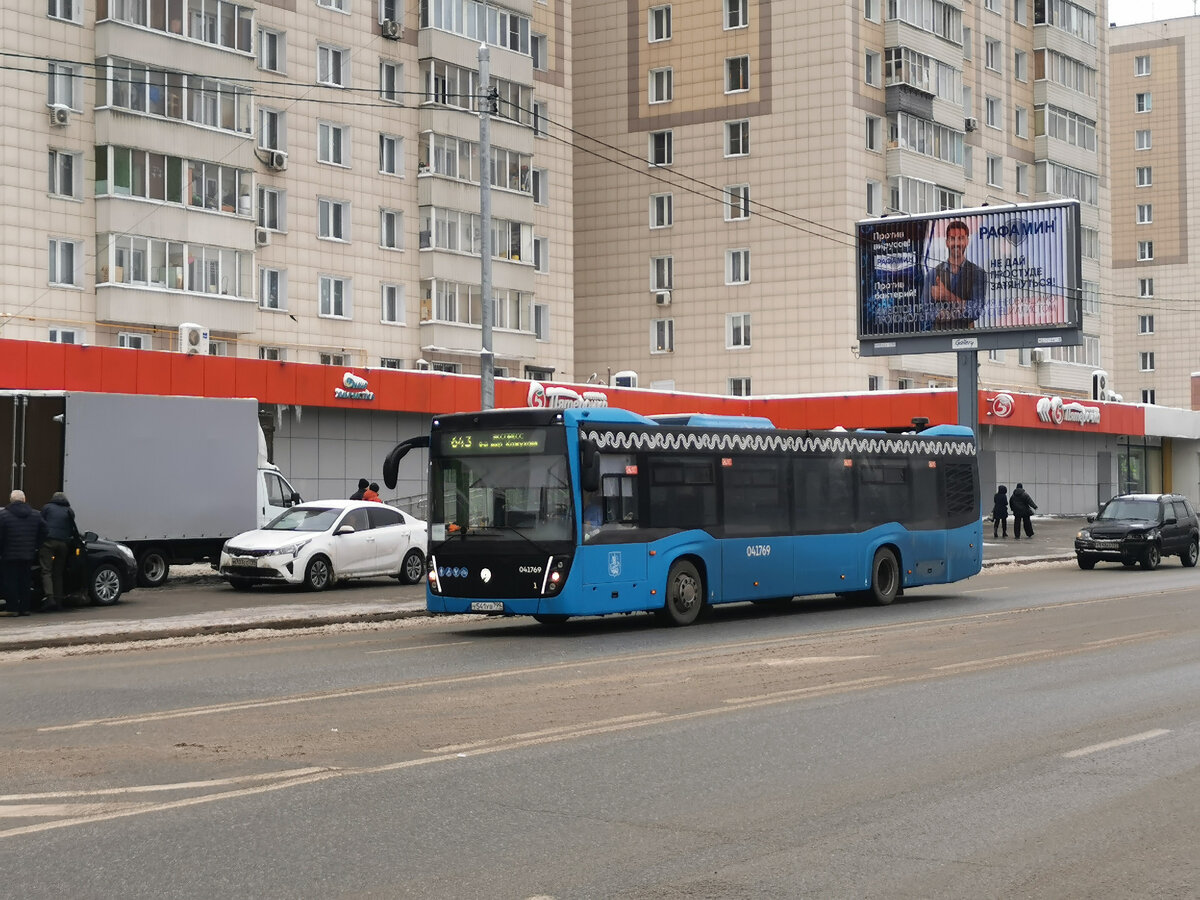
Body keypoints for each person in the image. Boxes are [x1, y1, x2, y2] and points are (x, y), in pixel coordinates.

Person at [929, 220, 987, 330]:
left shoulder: (978, 273)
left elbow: (975, 311)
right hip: (938, 341)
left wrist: (947, 296)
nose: (956, 243)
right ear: (947, 242)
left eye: (960, 238)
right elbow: (926, 312)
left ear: (967, 241)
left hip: (966, 341)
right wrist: (962, 312)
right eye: (952, 239)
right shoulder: (933, 274)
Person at [0, 490, 49, 617]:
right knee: (25, 582)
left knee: (10, 582)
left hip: (8, 555)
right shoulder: (36, 515)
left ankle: (12, 608)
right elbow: (45, 531)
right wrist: (36, 546)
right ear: (25, 499)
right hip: (28, 554)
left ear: (11, 500)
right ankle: (25, 608)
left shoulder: (3, 515)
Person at [39, 491, 79, 611]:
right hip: (63, 544)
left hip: (48, 542)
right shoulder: (69, 510)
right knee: (58, 572)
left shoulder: (47, 508)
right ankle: (59, 600)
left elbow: (41, 524)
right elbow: (72, 528)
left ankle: (49, 598)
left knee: (46, 570)